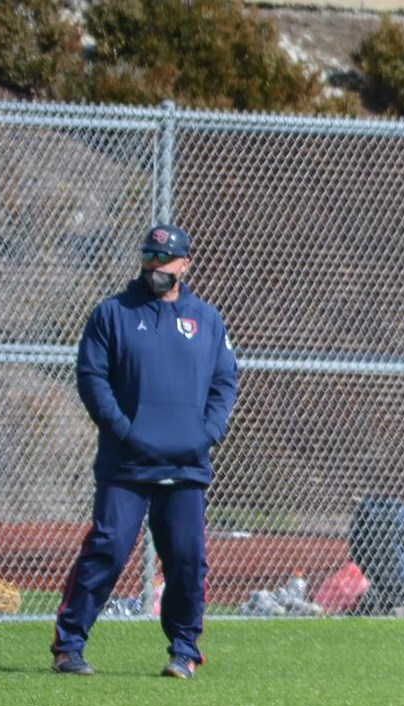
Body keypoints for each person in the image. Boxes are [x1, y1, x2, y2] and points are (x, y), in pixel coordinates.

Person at [50, 223, 238, 679]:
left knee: (187, 556)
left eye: (165, 259)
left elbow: (224, 381)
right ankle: (69, 645)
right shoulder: (112, 314)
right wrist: (124, 430)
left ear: (185, 264)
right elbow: (92, 378)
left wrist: (206, 433)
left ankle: (184, 649)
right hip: (127, 462)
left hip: (185, 463)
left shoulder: (207, 320)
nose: (155, 267)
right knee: (109, 548)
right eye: (149, 258)